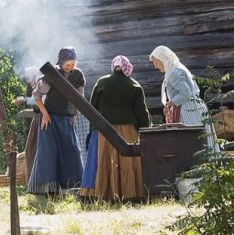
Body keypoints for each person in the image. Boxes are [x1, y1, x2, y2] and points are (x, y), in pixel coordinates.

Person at [81, 55, 150, 200]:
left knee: (105, 160)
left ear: (113, 66)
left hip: (105, 131)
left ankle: (103, 193)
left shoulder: (101, 82)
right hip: (127, 131)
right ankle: (130, 192)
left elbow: (92, 108)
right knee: (128, 161)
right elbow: (141, 112)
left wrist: (93, 129)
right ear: (127, 67)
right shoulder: (134, 85)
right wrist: (146, 130)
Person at [27, 47, 85, 195]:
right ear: (61, 61)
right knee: (49, 153)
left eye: (73, 64)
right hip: (50, 118)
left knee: (71, 151)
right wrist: (45, 114)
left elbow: (79, 99)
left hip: (66, 118)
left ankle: (73, 187)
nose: (70, 67)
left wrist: (73, 115)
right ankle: (47, 190)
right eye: (68, 64)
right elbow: (37, 95)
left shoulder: (77, 75)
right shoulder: (52, 74)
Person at [149, 45, 219, 151]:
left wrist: (169, 103)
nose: (155, 66)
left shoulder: (174, 72)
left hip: (188, 109)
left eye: (156, 62)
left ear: (163, 59)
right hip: (194, 106)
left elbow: (186, 93)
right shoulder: (177, 67)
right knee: (202, 141)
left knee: (191, 141)